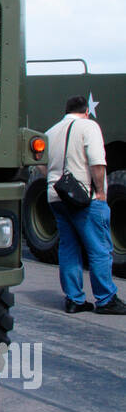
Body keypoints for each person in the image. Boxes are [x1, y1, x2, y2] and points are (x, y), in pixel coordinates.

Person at [46, 95, 126, 315]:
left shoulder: (51, 132)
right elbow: (97, 162)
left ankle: (74, 300)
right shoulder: (88, 126)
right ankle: (106, 299)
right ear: (86, 111)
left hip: (56, 196)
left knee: (69, 249)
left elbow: (42, 166)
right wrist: (100, 192)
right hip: (83, 198)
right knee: (99, 249)